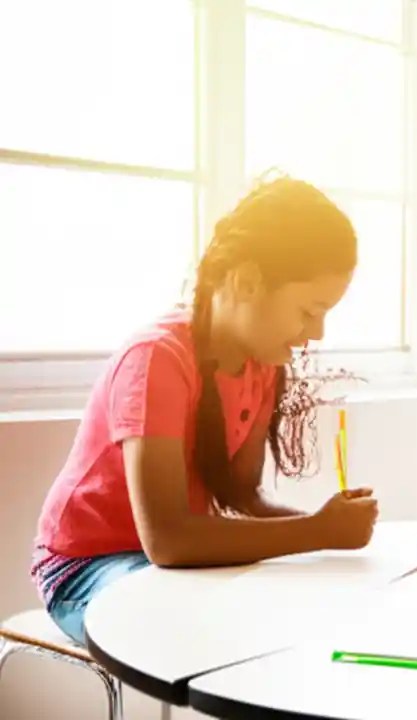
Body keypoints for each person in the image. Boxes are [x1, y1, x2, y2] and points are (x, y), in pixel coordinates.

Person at [30, 175, 379, 645]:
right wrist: (317, 532)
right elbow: (169, 541)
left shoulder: (261, 366)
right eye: (308, 310)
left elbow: (242, 499)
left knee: (301, 599)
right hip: (85, 568)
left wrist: (329, 526)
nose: (316, 332)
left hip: (167, 566)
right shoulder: (158, 359)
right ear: (247, 282)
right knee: (207, 615)